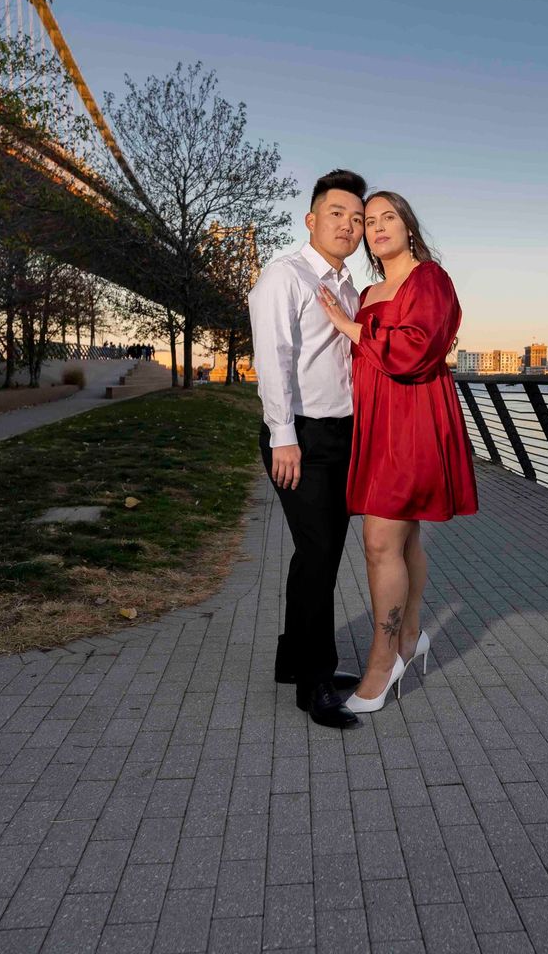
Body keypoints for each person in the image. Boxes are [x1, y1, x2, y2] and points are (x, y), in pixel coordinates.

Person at [316, 190, 478, 714]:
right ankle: (410, 638)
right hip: (376, 423)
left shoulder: (429, 279)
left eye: (390, 217)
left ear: (409, 227)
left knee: (379, 541)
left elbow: (415, 349)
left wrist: (349, 327)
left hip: (412, 423)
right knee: (403, 539)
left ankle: (382, 665)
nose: (379, 227)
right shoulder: (367, 292)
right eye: (370, 221)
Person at [248, 169, 370, 730]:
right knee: (319, 553)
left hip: (342, 434)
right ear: (311, 219)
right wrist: (283, 435)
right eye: (337, 214)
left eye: (357, 218)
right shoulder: (285, 276)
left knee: (318, 554)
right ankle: (314, 682)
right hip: (301, 435)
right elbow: (272, 358)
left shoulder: (347, 285)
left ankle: (293, 660)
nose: (348, 225)